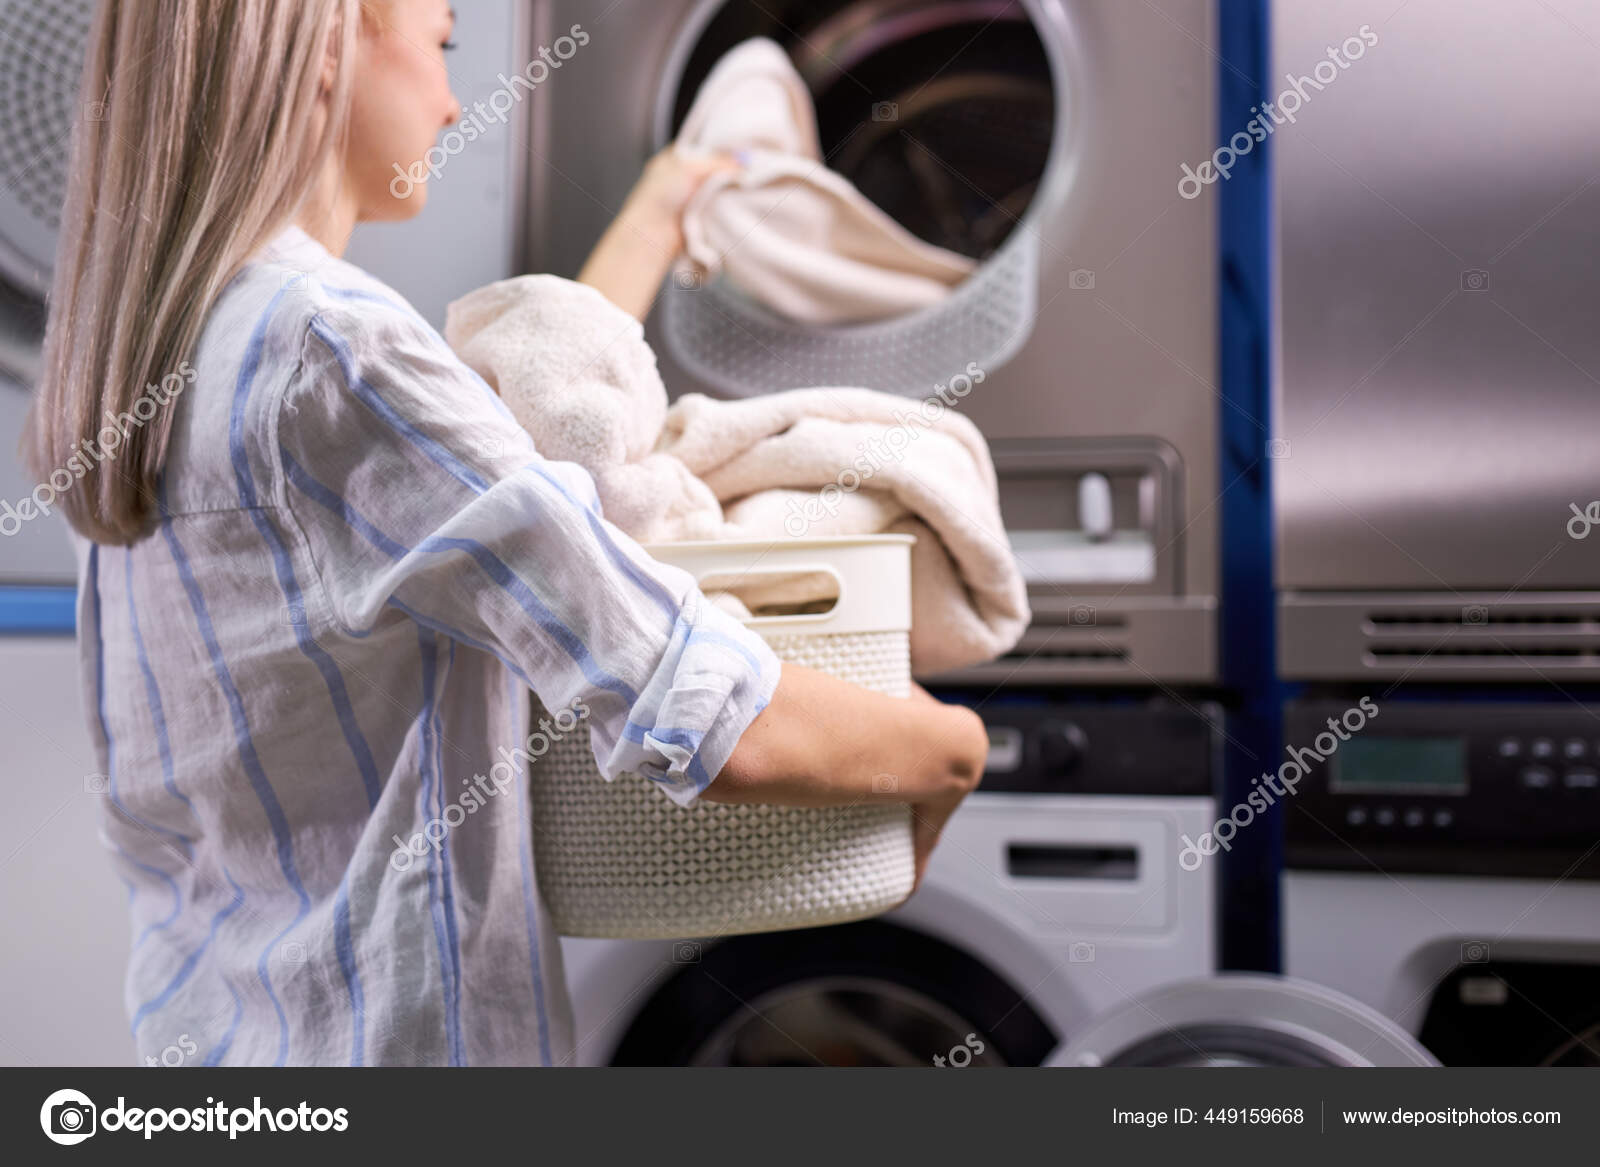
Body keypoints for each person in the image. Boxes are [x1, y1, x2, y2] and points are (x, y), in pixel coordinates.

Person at [25, 0, 988, 1066]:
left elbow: (517, 463)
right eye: (442, 46)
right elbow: (702, 712)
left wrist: (668, 202)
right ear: (332, 39)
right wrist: (948, 748)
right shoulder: (336, 352)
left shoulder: (161, 370)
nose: (450, 103)